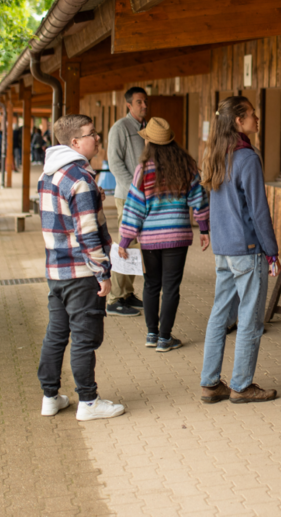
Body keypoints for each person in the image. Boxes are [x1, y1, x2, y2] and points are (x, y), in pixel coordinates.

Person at [36, 114, 125, 421]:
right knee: (85, 337)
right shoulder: (80, 180)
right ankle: (88, 401)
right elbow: (87, 233)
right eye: (92, 134)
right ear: (74, 142)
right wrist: (103, 273)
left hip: (55, 271)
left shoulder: (48, 175)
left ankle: (50, 397)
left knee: (56, 335)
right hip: (81, 272)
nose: (97, 138)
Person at [200, 96, 280, 405]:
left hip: (223, 249)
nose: (257, 118)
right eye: (252, 114)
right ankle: (242, 386)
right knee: (250, 319)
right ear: (238, 121)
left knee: (220, 315)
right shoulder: (247, 157)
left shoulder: (217, 153)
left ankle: (210, 384)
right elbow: (258, 211)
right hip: (247, 249)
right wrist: (271, 251)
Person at [118, 117, 210, 352]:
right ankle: (165, 338)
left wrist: (126, 239)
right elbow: (198, 199)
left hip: (150, 238)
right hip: (177, 235)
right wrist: (204, 228)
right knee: (171, 287)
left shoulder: (143, 169)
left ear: (149, 141)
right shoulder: (186, 165)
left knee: (151, 285)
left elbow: (134, 206)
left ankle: (151, 334)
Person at [106, 86, 149, 317]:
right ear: (129, 105)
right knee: (125, 246)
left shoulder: (146, 129)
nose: (144, 105)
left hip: (144, 197)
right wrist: (133, 189)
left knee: (135, 248)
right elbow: (114, 162)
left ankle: (127, 293)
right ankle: (114, 299)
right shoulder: (120, 128)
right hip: (128, 197)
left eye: (145, 101)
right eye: (139, 102)